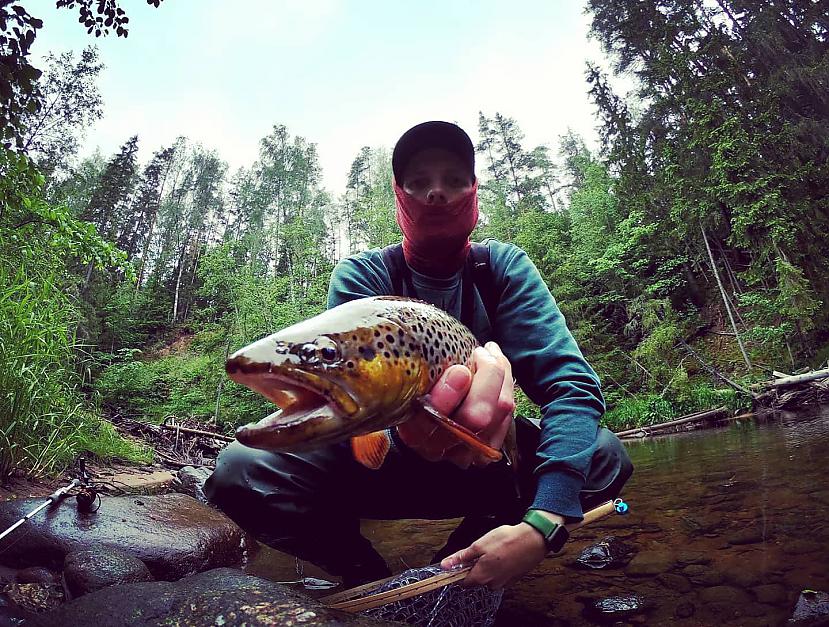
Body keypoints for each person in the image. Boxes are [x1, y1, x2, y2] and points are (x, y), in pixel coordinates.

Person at [204, 121, 632, 591]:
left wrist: (545, 521)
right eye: (419, 181)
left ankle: (457, 569)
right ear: (399, 195)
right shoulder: (363, 277)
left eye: (453, 179)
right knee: (240, 470)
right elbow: (348, 405)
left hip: (486, 463)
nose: (436, 193)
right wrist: (403, 431)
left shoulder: (502, 270)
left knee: (604, 455)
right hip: (387, 465)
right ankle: (367, 577)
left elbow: (571, 388)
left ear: (473, 192)